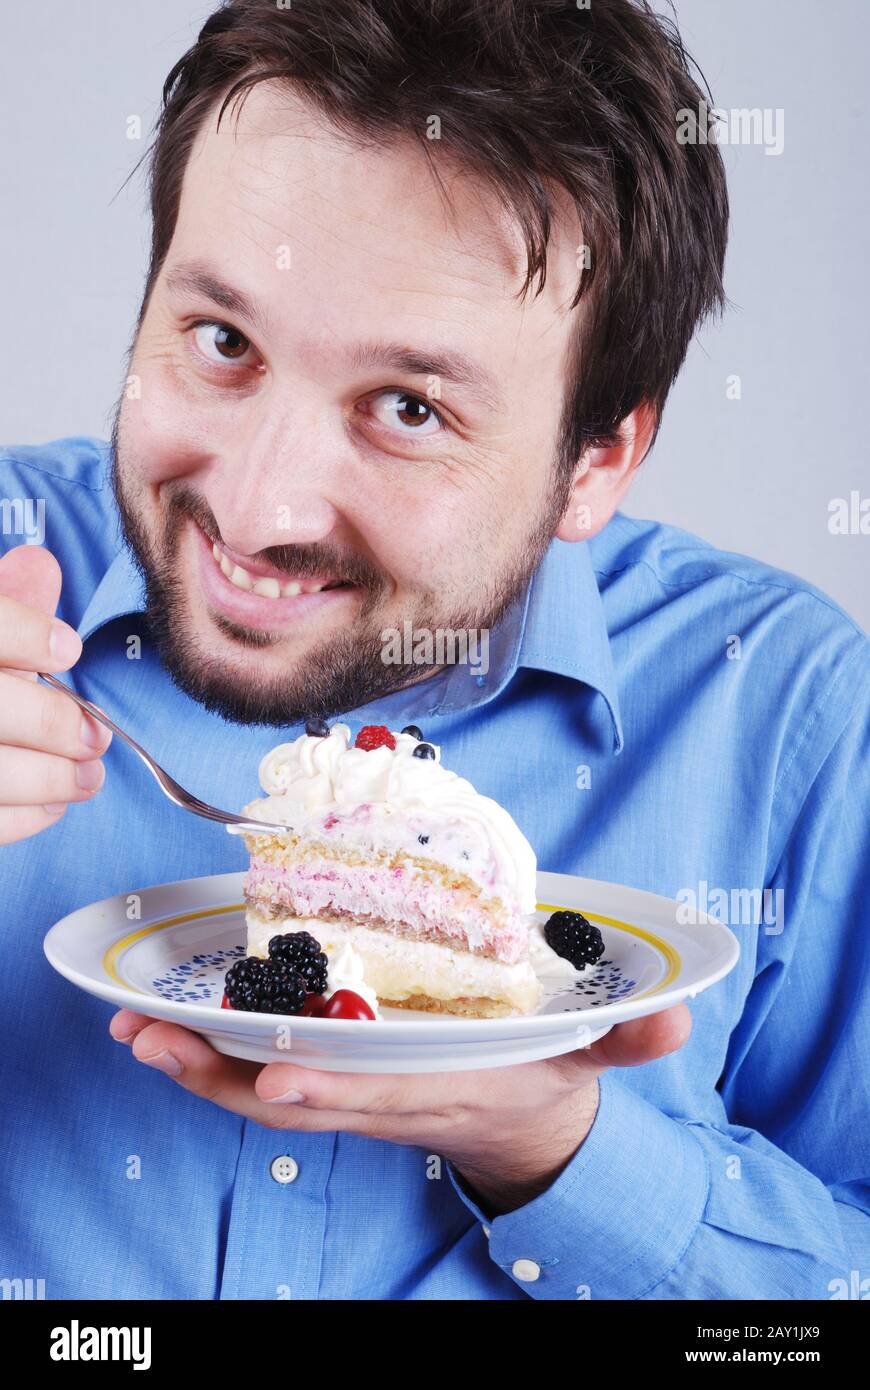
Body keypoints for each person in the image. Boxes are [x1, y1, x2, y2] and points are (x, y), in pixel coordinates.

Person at [1, 0, 867, 1301]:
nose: (259, 505)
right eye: (221, 341)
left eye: (407, 408)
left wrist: (562, 1152)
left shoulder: (780, 709)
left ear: (597, 458)